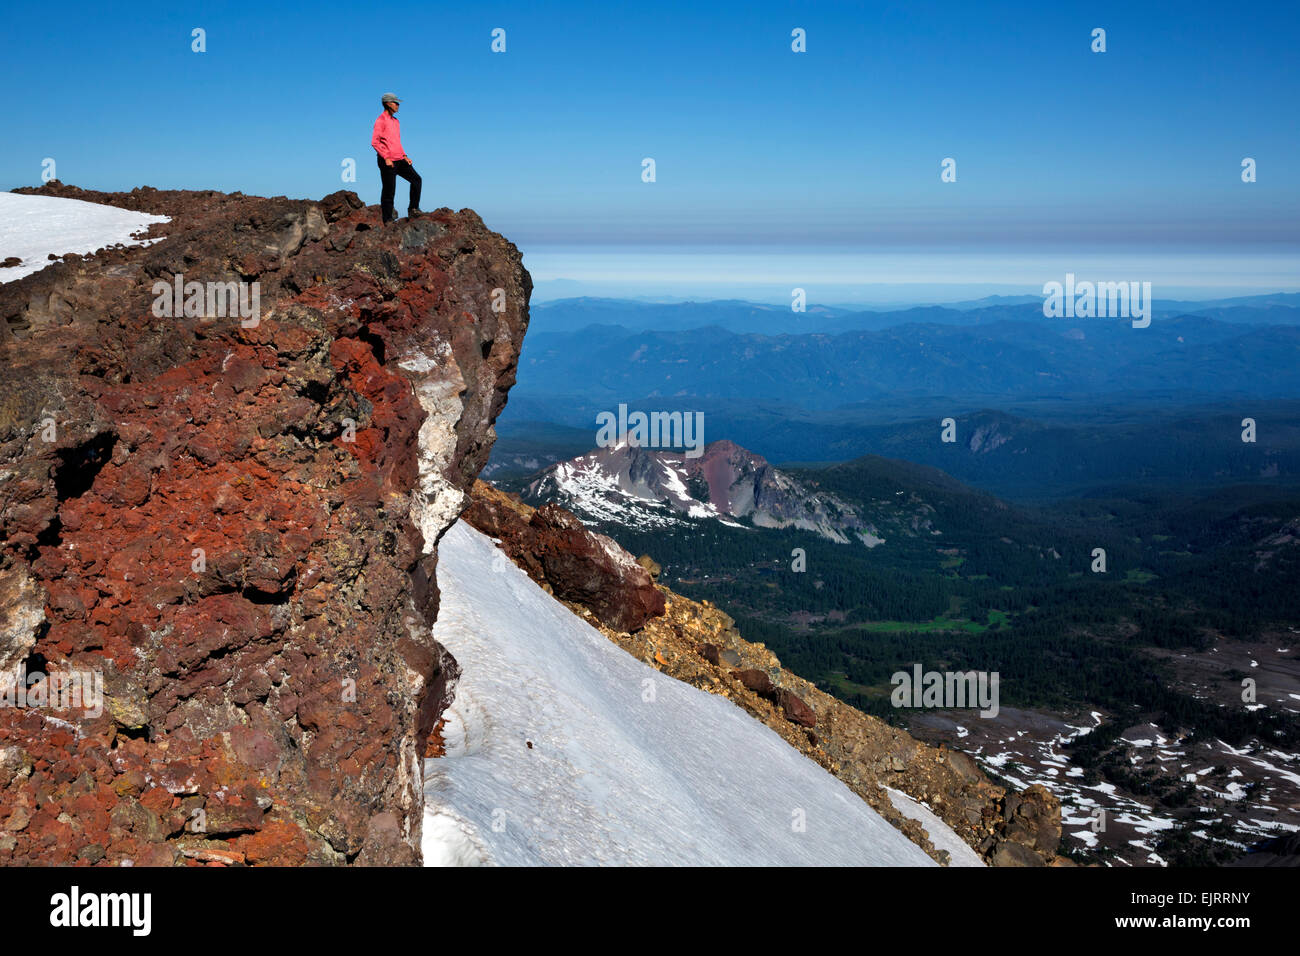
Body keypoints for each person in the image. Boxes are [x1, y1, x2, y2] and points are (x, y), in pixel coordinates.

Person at [371, 93, 422, 224]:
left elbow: (396, 141)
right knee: (389, 190)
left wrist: (405, 156)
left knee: (416, 180)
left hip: (400, 159)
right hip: (387, 161)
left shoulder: (396, 122)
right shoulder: (380, 121)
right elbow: (375, 142)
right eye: (395, 103)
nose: (398, 105)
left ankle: (413, 209)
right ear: (388, 103)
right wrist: (386, 157)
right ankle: (387, 220)